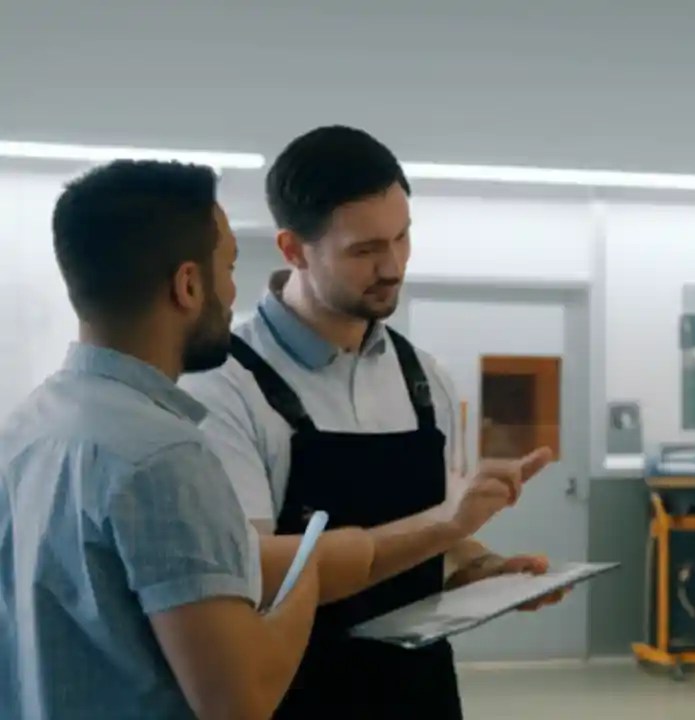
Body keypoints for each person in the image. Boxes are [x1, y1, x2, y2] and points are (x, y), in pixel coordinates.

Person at [180, 125, 567, 719]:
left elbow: (435, 534)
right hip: (297, 700)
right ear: (292, 249)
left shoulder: (423, 378)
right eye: (364, 250)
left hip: (422, 698)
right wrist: (446, 528)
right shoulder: (226, 387)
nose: (393, 267)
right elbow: (251, 573)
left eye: (403, 237)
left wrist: (483, 568)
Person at [0, 160, 321, 720]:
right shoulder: (165, 456)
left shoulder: (26, 426)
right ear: (189, 285)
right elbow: (239, 701)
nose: (232, 289)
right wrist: (308, 575)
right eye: (230, 267)